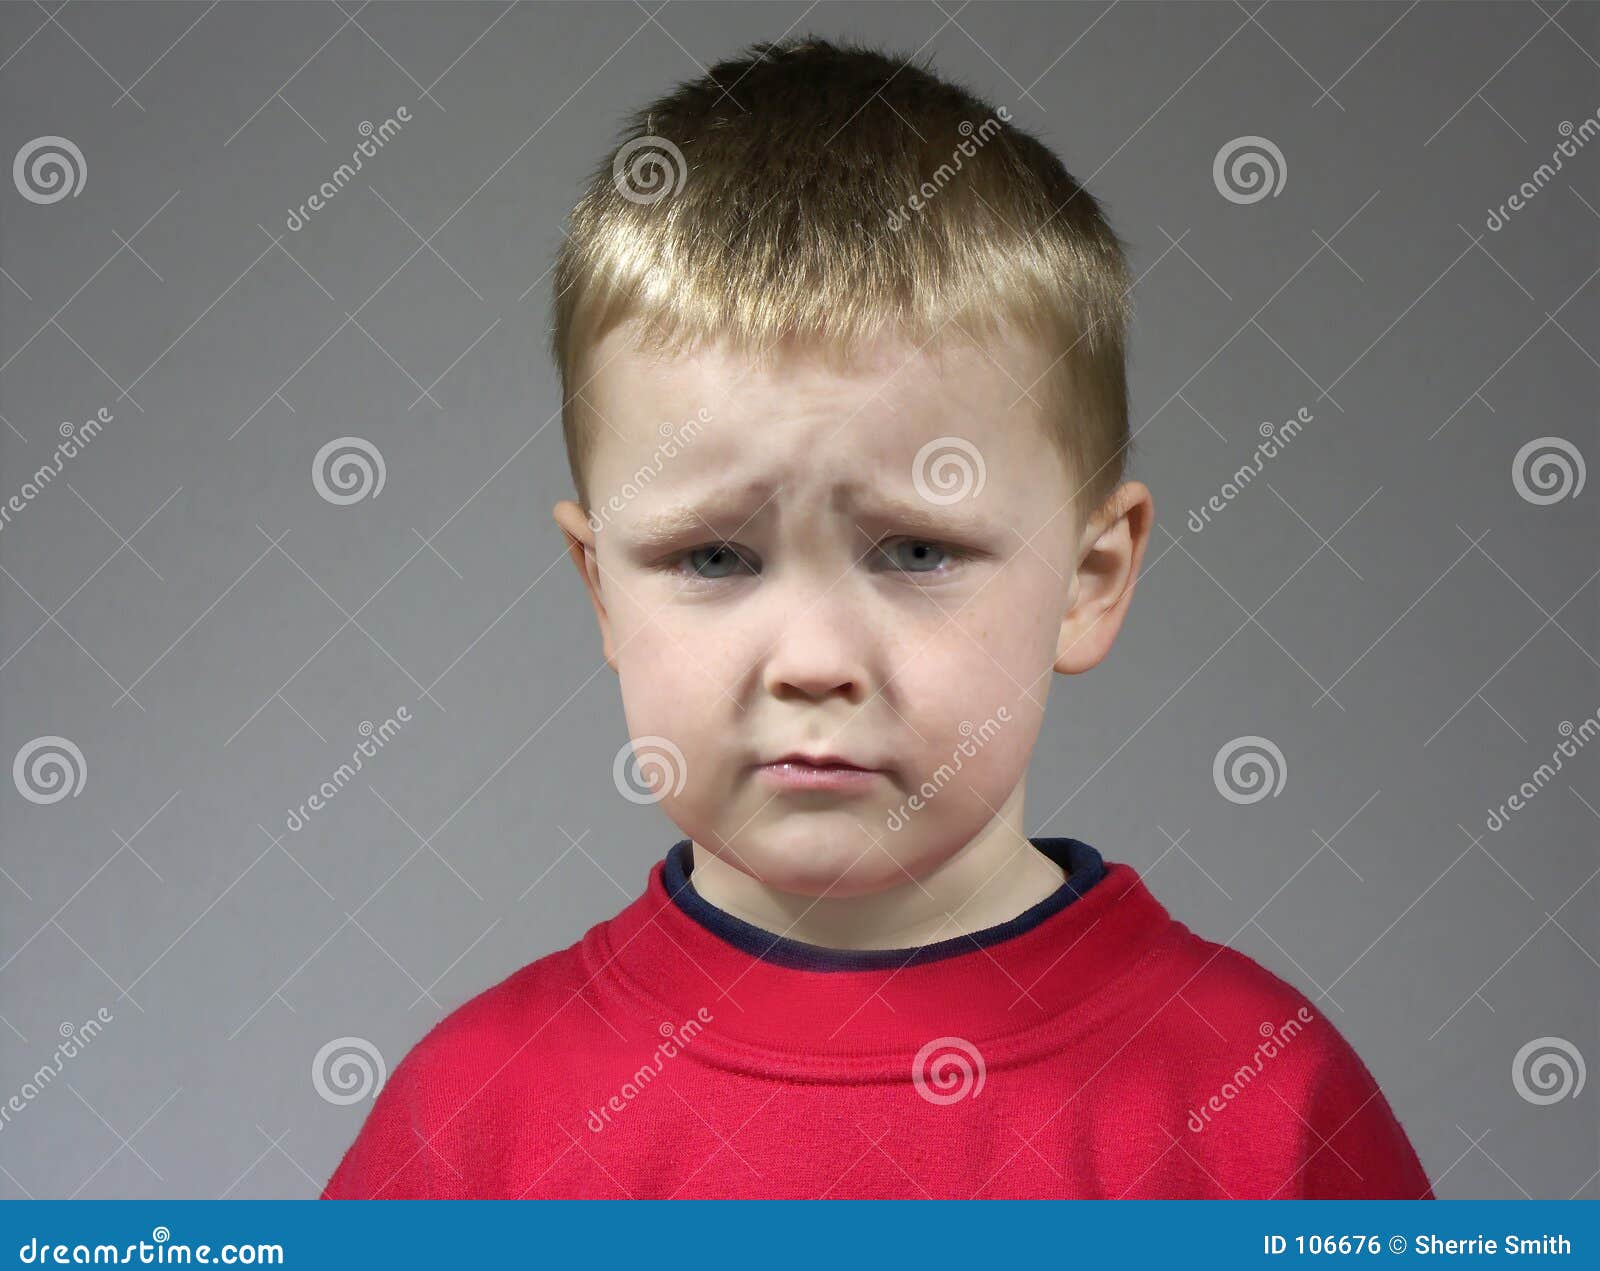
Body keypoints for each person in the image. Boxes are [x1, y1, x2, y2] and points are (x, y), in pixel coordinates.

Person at [322, 34, 1433, 1200]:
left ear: (1090, 580)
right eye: (711, 555)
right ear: (600, 587)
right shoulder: (474, 1117)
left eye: (914, 551)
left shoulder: (1259, 1101)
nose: (812, 662)